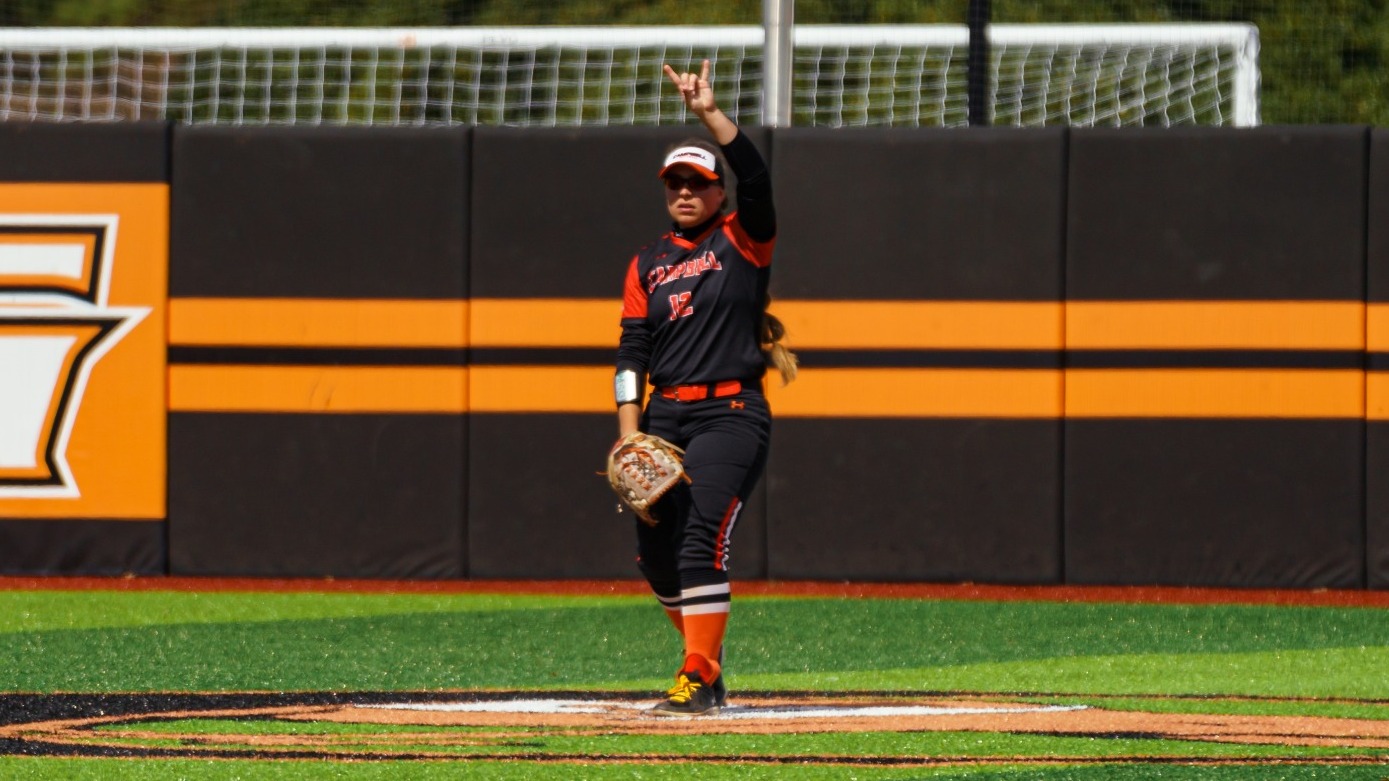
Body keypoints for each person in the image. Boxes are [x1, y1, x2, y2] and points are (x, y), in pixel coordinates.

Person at [612, 59, 796, 717]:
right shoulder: (648, 263)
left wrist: (707, 115)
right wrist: (630, 431)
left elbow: (758, 176)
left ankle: (695, 671)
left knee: (700, 536)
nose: (685, 191)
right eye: (675, 183)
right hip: (666, 417)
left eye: (698, 182)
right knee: (654, 553)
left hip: (730, 412)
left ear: (718, 193)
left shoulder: (743, 239)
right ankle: (705, 668)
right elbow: (631, 348)